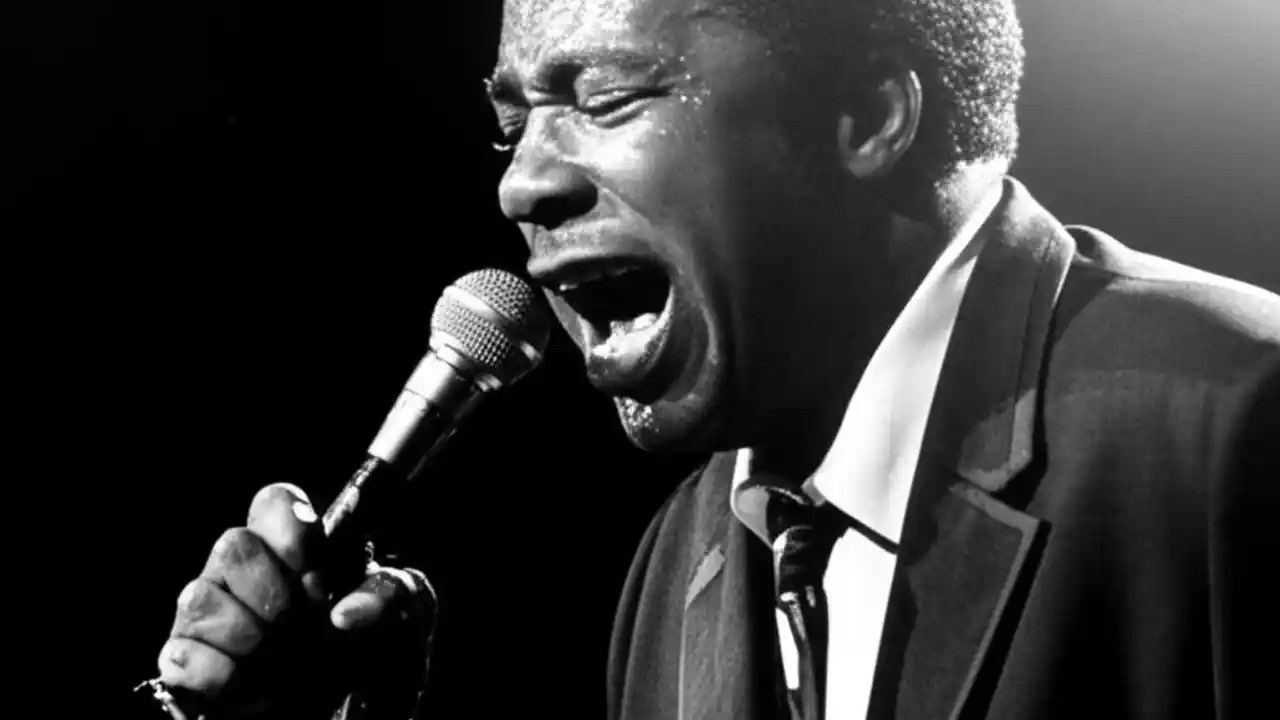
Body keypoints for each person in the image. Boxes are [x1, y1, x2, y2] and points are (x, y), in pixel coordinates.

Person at [152, 0, 1280, 718]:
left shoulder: (1236, 421)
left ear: (865, 115)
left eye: (602, 96)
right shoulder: (684, 562)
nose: (519, 185)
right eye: (511, 124)